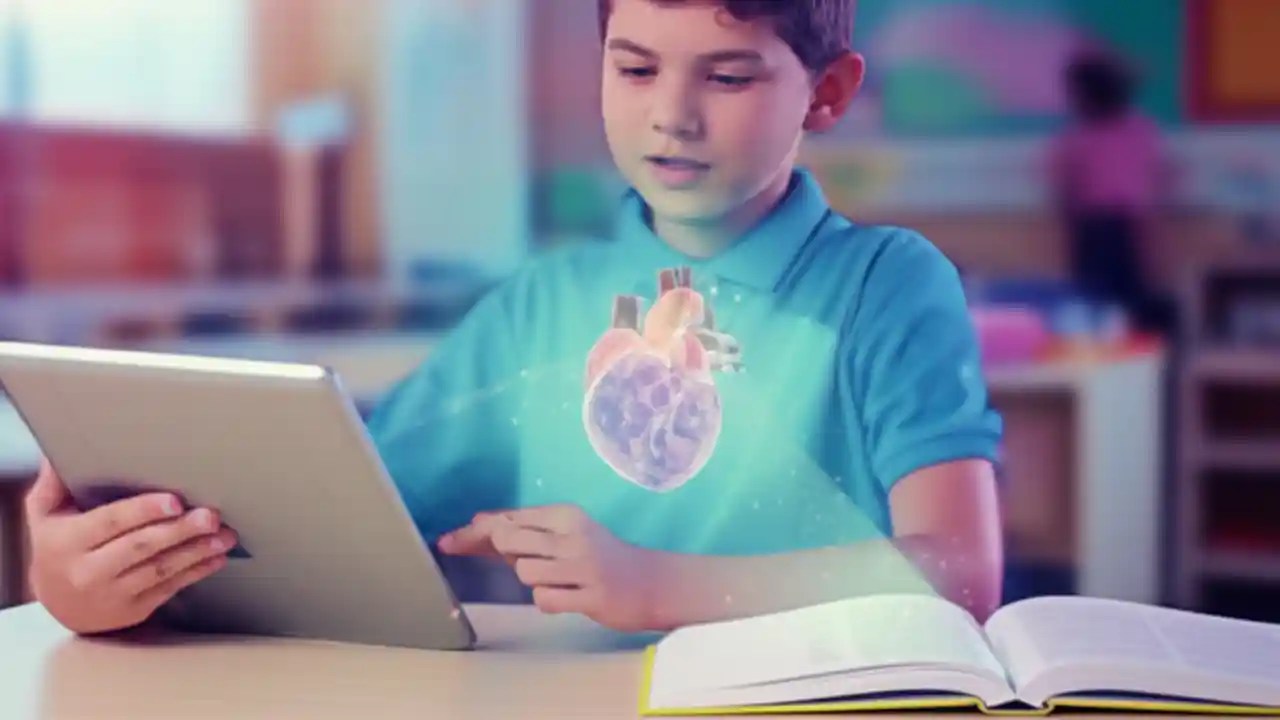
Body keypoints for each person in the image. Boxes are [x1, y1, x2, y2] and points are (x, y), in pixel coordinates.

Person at [25, 0, 1004, 637]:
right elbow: (332, 534)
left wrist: (654, 587)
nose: (672, 114)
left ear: (826, 94)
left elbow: (960, 574)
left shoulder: (886, 285)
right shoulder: (542, 311)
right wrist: (90, 582)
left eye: (727, 76)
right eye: (635, 69)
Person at [1049, 51, 1169, 334]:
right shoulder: (1140, 131)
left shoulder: (1078, 138)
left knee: (1100, 305)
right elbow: (1154, 182)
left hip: (1100, 229)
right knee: (1125, 302)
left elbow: (1066, 190)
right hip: (1124, 226)